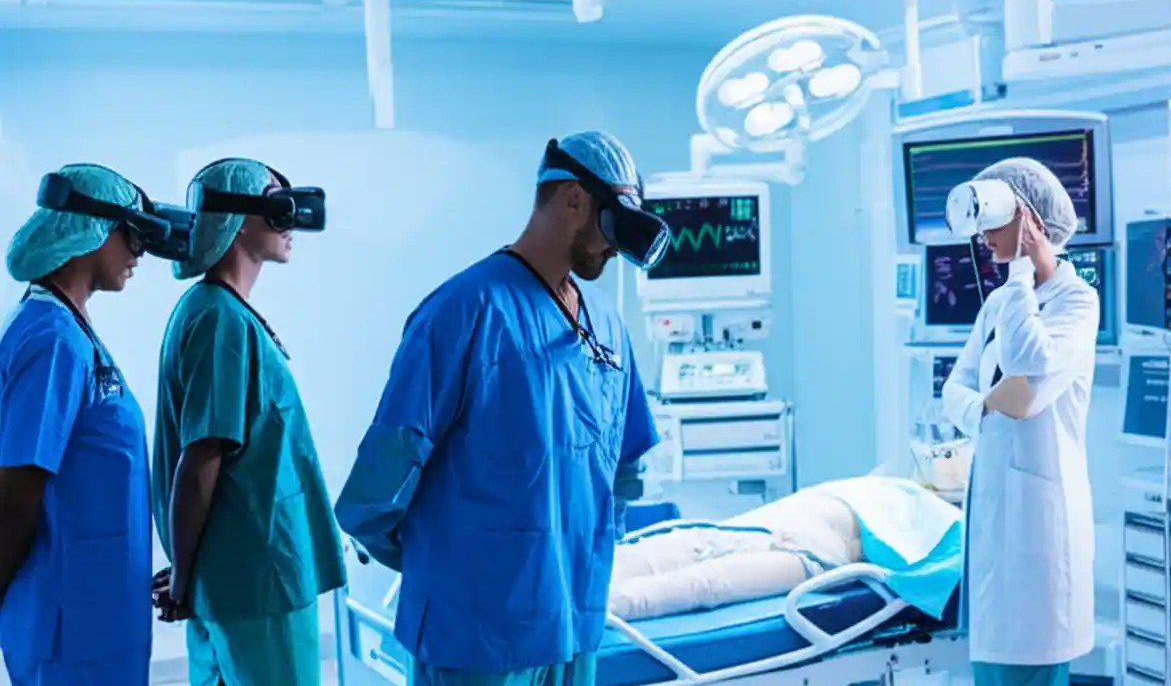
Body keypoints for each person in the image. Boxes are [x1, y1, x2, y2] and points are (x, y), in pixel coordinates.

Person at [336, 131, 667, 686]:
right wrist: (443, 565)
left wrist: (588, 552)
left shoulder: (607, 325)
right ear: (572, 201)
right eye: (613, 227)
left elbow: (624, 468)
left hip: (574, 621)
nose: (614, 249)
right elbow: (384, 474)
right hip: (477, 632)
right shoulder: (463, 312)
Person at [150, 157, 346, 686]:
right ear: (238, 221)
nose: (292, 226)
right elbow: (201, 459)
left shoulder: (219, 312)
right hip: (258, 584)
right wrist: (185, 579)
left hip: (241, 581)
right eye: (280, 210)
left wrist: (190, 574)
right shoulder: (218, 318)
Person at [0, 164, 194, 685]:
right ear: (91, 232)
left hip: (96, 618)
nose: (139, 253)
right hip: (70, 626)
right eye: (132, 235)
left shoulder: (69, 330)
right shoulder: (52, 339)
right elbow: (16, 491)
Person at [941, 157, 1099, 686]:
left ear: (1029, 219)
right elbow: (954, 391)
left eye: (995, 217)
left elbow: (1028, 375)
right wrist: (986, 405)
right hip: (994, 528)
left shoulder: (1077, 302)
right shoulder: (997, 309)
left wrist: (1023, 273)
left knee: (1028, 669)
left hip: (1039, 534)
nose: (984, 234)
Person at [608, 475, 962, 622]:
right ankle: (590, 602)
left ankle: (591, 605)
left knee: (700, 560)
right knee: (701, 566)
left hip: (811, 544)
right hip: (800, 534)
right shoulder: (909, 490)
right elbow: (925, 583)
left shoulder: (953, 527)